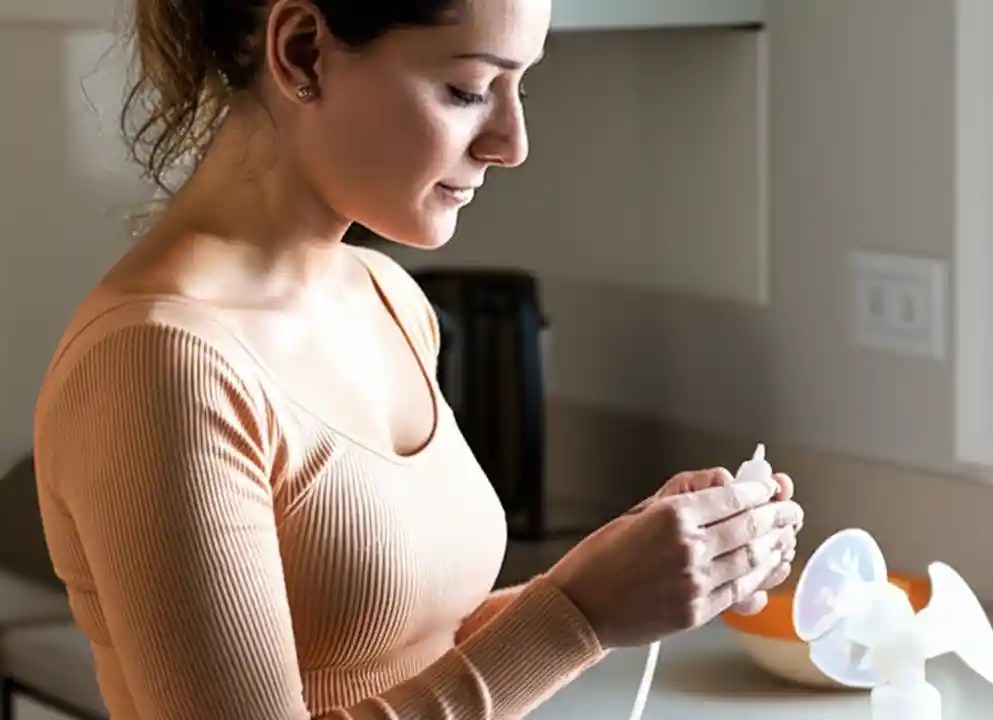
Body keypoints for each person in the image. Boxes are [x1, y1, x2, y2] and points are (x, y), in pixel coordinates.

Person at [29, 0, 805, 717]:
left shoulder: (385, 297)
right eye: (469, 89)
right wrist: (581, 615)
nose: (512, 144)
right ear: (303, 54)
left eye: (520, 90)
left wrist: (622, 574)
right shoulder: (159, 363)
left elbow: (417, 654)